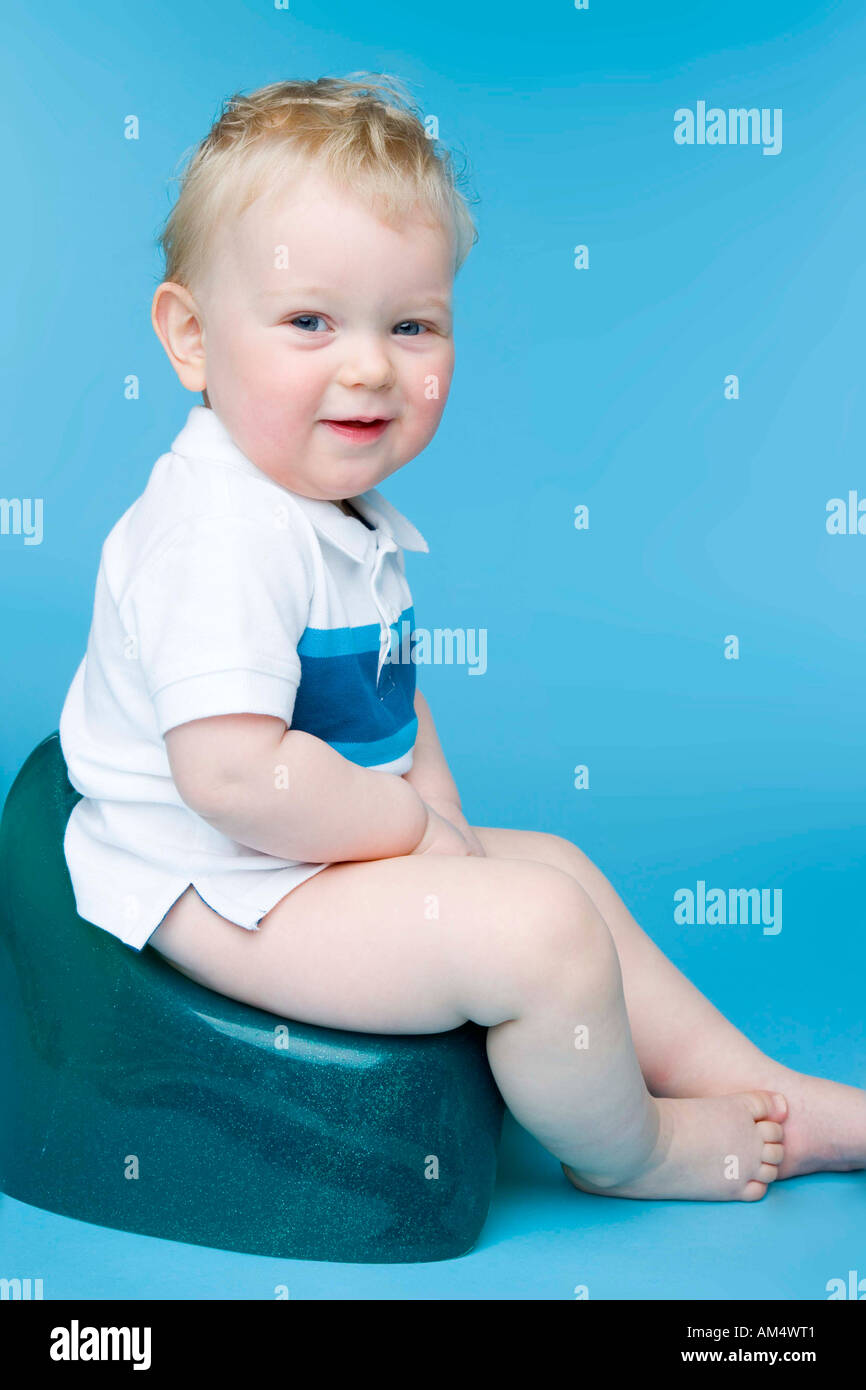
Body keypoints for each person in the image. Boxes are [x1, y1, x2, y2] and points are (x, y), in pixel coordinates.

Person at [59, 73, 866, 1202]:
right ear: (190, 337)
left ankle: (768, 1090)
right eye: (308, 321)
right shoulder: (219, 535)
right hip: (218, 885)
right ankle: (631, 1152)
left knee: (558, 871)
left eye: (411, 324)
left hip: (298, 851)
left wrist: (441, 826)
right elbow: (233, 771)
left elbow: (391, 703)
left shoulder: (327, 506)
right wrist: (412, 833)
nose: (369, 366)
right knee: (538, 935)